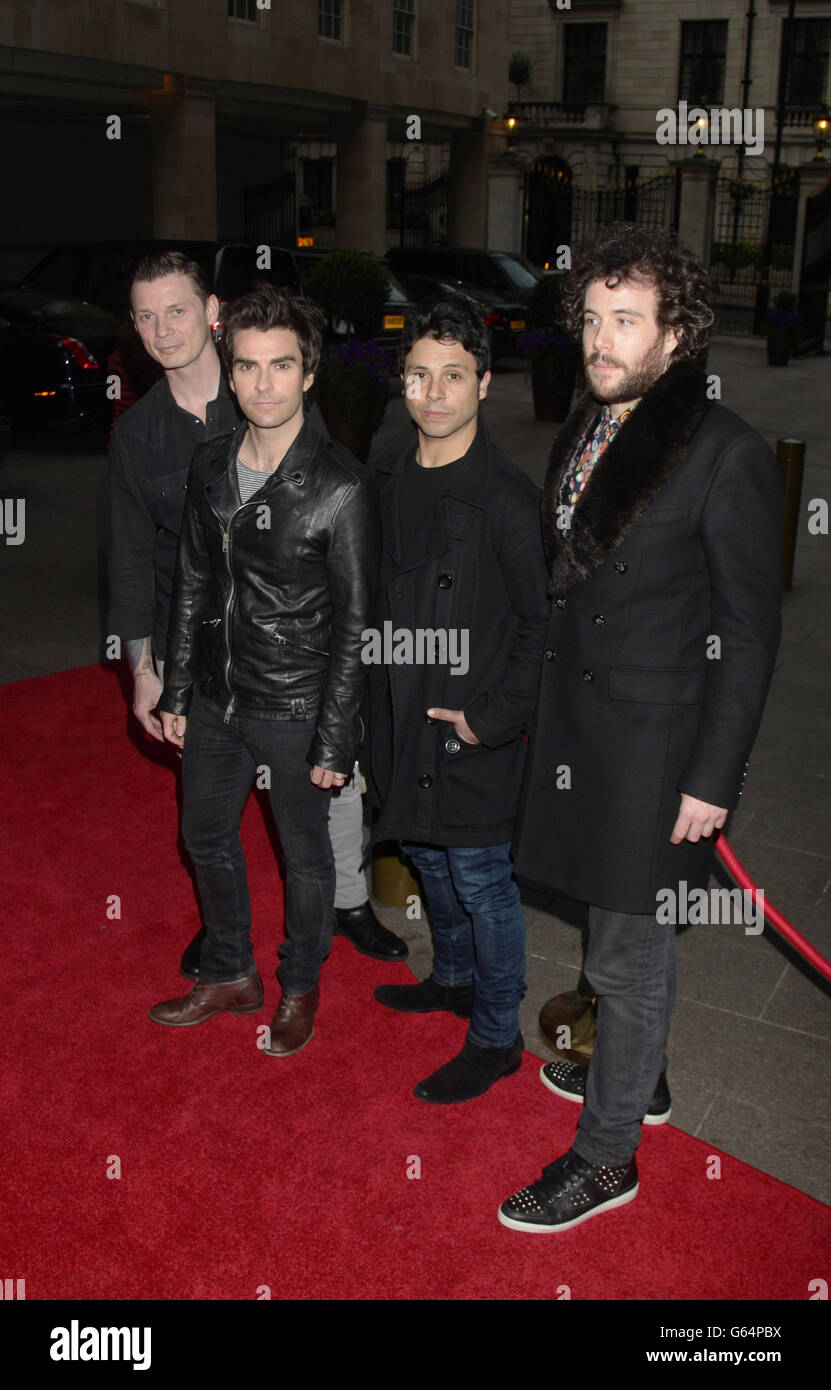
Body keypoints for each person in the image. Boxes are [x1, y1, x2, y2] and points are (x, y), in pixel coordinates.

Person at [500, 222, 782, 1232]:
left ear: (677, 335)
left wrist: (713, 779)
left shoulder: (726, 453)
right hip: (585, 727)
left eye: (626, 320)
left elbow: (749, 636)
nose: (600, 339)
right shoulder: (590, 422)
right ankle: (641, 1079)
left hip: (656, 750)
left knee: (625, 950)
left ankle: (606, 1156)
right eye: (590, 318)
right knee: (623, 935)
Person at [107, 250, 405, 969]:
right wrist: (145, 668)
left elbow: (334, 553)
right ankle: (225, 931)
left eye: (176, 309)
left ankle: (347, 906)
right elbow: (129, 555)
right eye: (146, 316)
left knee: (319, 805)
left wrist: (340, 706)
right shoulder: (138, 433)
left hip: (289, 643)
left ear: (213, 315)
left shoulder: (266, 383)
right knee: (209, 818)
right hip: (204, 641)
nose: (162, 328)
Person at [150, 284, 381, 1055]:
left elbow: (355, 627)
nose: (262, 384)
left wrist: (334, 739)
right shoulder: (210, 462)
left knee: (304, 858)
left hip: (294, 705)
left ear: (307, 373)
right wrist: (177, 685)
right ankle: (227, 970)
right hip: (216, 697)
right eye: (246, 367)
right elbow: (190, 580)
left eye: (280, 366)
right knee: (203, 835)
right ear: (230, 368)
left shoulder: (341, 486)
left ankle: (300, 985)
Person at [365, 298, 550, 1102]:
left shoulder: (507, 499)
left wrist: (489, 717)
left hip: (467, 726)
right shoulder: (387, 471)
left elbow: (544, 625)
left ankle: (497, 1035)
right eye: (418, 375)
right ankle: (455, 980)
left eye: (452, 376)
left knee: (479, 879)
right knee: (426, 856)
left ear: (481, 383)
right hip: (403, 713)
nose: (433, 393)